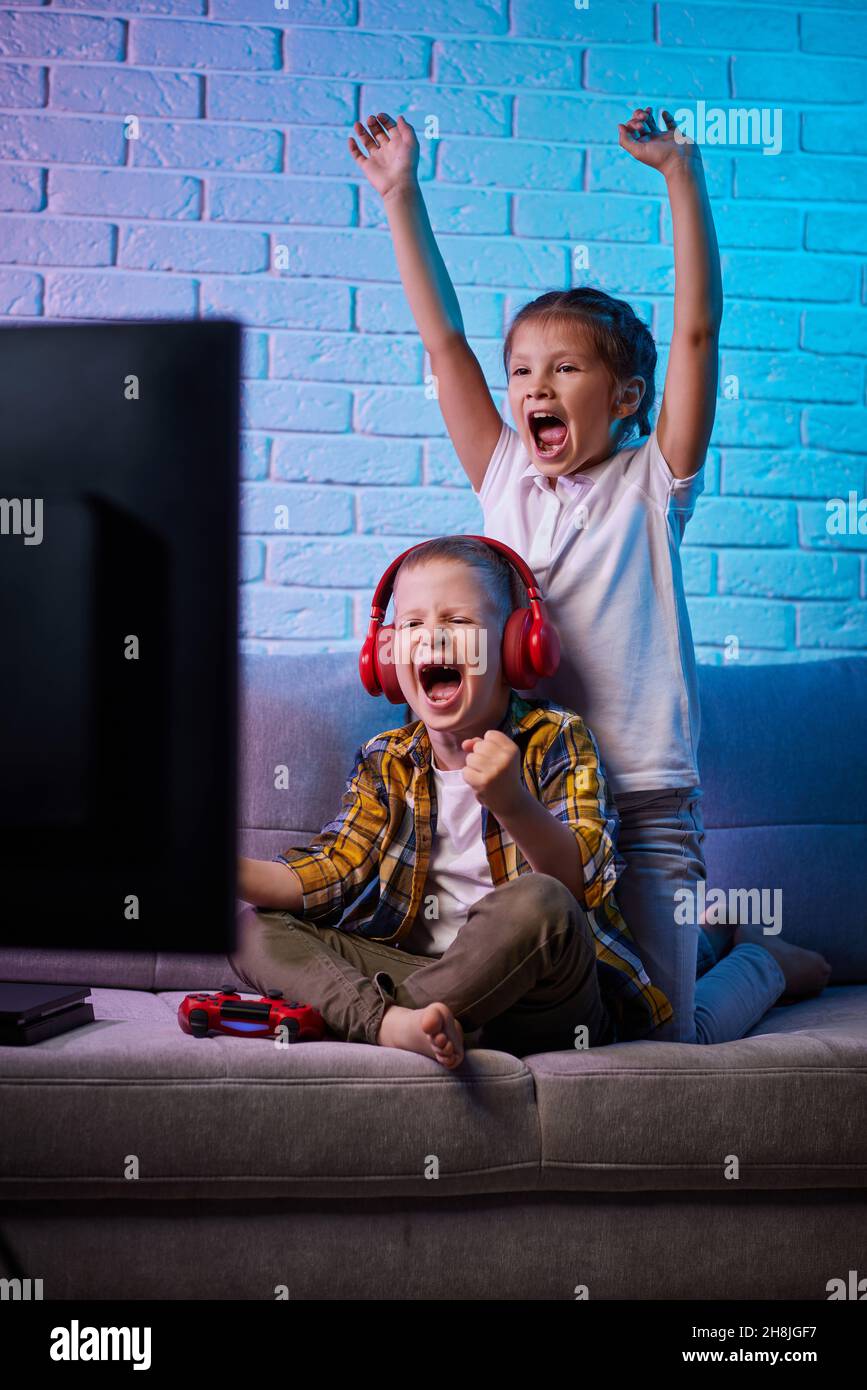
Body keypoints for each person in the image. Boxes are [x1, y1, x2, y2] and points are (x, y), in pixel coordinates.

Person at [348, 105, 831, 1041]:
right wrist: (400, 196)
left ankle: (760, 961)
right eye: (522, 370)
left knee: (665, 1038)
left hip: (642, 802)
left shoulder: (652, 484)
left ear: (625, 399)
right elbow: (445, 346)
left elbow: (696, 334)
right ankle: (709, 946)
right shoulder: (504, 478)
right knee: (577, 1008)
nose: (532, 388)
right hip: (529, 796)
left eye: (562, 369)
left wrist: (680, 174)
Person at [233, 537, 674, 1069]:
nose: (432, 637)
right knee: (249, 928)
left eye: (459, 622)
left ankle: (373, 1018)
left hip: (541, 1001)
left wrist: (513, 802)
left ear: (516, 646)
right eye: (413, 624)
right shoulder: (386, 759)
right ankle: (399, 1025)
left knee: (541, 903)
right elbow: (331, 870)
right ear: (387, 655)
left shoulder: (556, 737)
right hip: (418, 971)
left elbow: (577, 886)